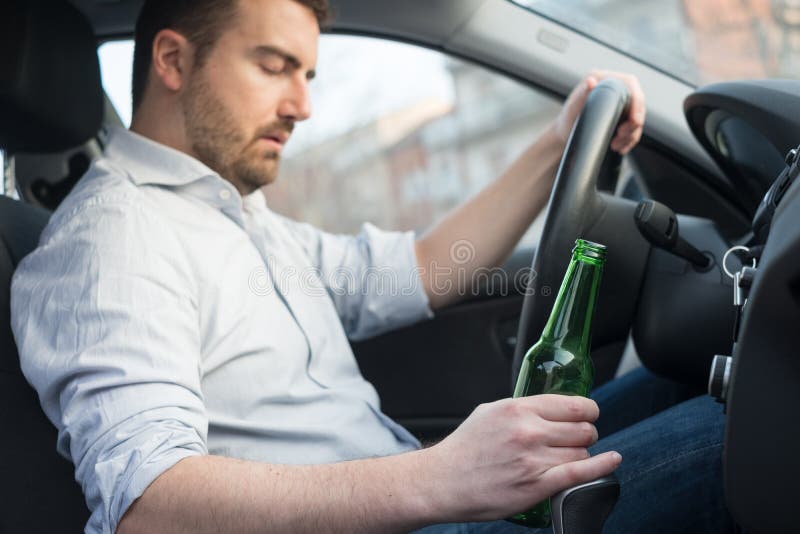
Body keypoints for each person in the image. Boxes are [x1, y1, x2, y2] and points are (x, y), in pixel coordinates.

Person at [9, 0, 732, 532]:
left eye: (308, 73)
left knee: (699, 382)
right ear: (172, 61)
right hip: (412, 514)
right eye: (273, 66)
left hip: (417, 505)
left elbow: (422, 270)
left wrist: (558, 142)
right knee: (751, 433)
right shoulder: (113, 239)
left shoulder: (234, 215)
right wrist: (440, 476)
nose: (303, 105)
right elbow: (150, 506)